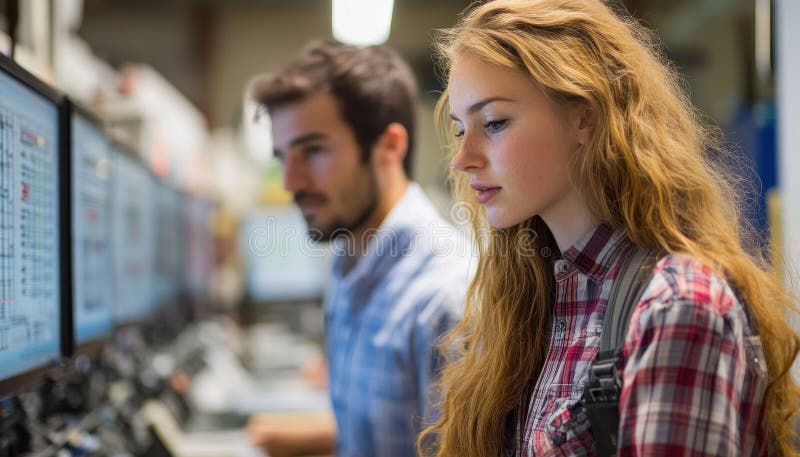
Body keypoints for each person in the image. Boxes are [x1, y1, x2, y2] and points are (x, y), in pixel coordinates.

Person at [419, 1, 800, 456]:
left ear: (584, 117)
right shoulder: (533, 298)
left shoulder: (677, 307)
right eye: (460, 130)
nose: (463, 159)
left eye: (494, 123)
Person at [246, 41, 470, 457]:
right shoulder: (348, 264)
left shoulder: (443, 302)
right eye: (283, 157)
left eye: (313, 151)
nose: (290, 182)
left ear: (390, 146)